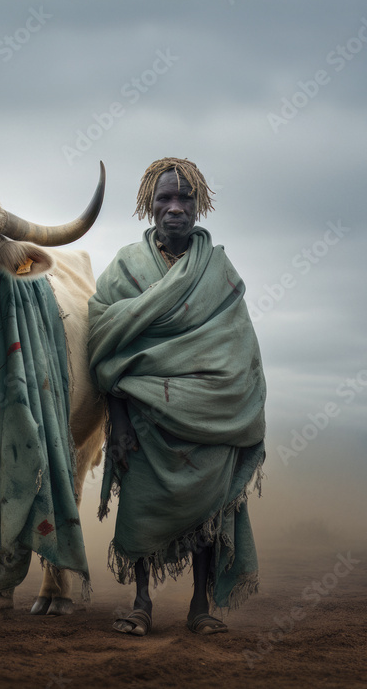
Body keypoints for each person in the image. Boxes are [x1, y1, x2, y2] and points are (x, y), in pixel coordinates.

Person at [88, 157, 266, 636]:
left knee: (209, 512)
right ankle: (141, 602)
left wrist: (227, 403)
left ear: (199, 204)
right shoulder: (126, 268)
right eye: (164, 198)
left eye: (184, 198)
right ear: (149, 205)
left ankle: (200, 607)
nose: (175, 208)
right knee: (142, 504)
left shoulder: (220, 272)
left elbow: (241, 354)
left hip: (214, 419)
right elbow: (105, 351)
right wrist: (120, 421)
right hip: (144, 423)